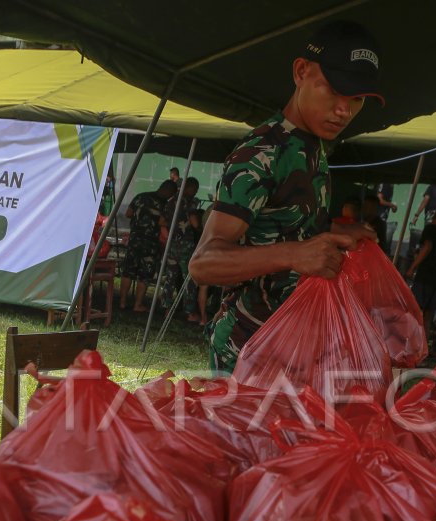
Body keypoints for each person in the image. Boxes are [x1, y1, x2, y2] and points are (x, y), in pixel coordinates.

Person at [190, 20, 381, 374]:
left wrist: (338, 231)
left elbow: (285, 226)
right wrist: (295, 254)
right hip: (246, 355)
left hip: (291, 351)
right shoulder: (262, 152)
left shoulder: (313, 149)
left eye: (356, 99)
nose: (344, 109)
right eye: (335, 90)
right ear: (301, 71)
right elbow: (203, 264)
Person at [120, 179, 177, 312]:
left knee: (128, 271)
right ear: (169, 192)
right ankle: (137, 304)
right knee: (144, 275)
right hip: (151, 244)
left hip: (134, 240)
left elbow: (128, 213)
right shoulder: (166, 205)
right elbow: (163, 223)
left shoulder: (141, 196)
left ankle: (122, 302)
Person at [160, 177, 203, 319]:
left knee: (170, 278)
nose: (195, 193)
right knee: (188, 279)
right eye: (195, 190)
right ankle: (190, 312)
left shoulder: (170, 202)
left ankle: (166, 309)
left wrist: (169, 239)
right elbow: (195, 223)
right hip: (186, 246)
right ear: (190, 188)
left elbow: (161, 222)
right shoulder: (189, 203)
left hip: (172, 245)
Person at [405, 208, 436, 339]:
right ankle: (423, 344)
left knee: (416, 310)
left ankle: (412, 342)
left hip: (425, 277)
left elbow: (427, 246)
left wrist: (412, 267)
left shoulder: (431, 229)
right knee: (428, 315)